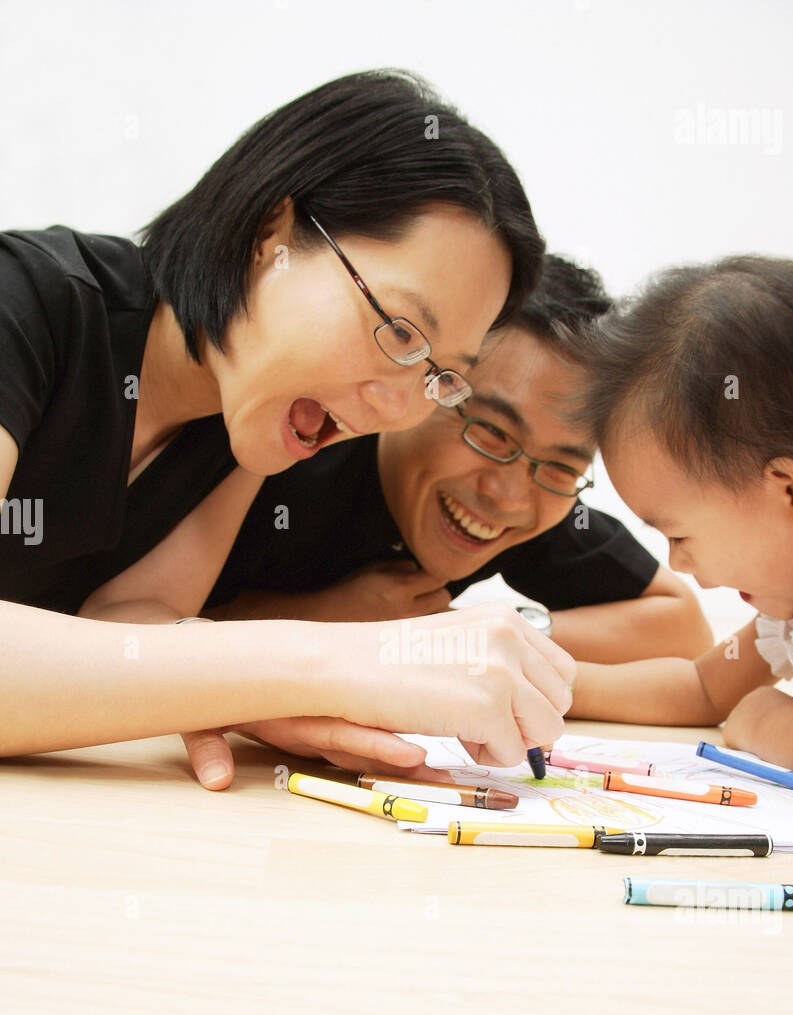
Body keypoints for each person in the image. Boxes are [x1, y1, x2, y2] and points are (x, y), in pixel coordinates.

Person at [0, 70, 576, 784]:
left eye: (438, 376)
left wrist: (263, 694)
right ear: (270, 235)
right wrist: (321, 663)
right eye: (399, 330)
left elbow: (132, 611)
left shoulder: (240, 409)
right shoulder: (24, 304)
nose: (399, 410)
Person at [202, 256, 711, 724]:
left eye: (562, 465)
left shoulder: (535, 502)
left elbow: (683, 629)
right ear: (425, 381)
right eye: (490, 432)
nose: (508, 496)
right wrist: (322, 626)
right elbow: (134, 620)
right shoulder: (285, 447)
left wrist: (471, 634)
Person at [566, 255, 793, 805]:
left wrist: (770, 721)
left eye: (678, 536)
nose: (677, 564)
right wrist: (547, 681)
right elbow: (705, 688)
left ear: (790, 493)